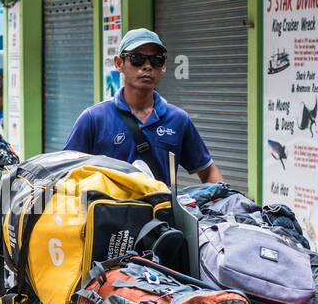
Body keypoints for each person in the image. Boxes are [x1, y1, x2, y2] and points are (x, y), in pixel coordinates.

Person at [64, 28, 224, 186]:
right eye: (137, 58)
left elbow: (208, 171)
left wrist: (226, 202)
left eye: (156, 60)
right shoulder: (93, 119)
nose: (147, 66)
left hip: (161, 211)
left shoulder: (178, 120)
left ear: (164, 67)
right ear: (119, 63)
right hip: (108, 211)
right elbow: (65, 174)